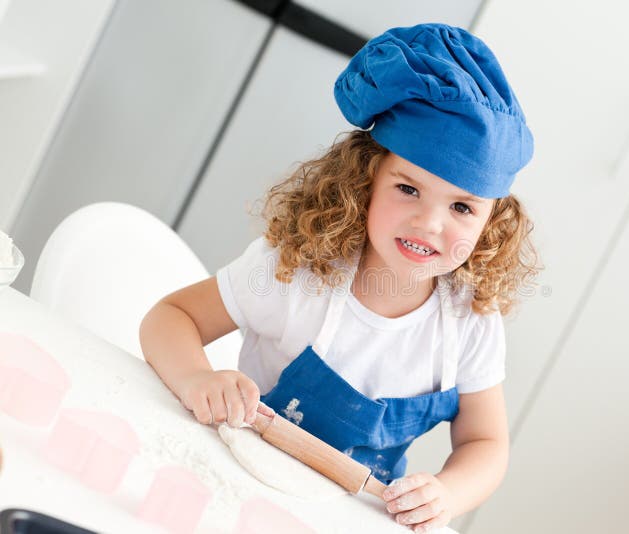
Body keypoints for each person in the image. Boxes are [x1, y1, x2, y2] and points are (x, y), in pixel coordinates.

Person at [141, 23, 537, 533]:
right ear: (364, 180)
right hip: (230, 482)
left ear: (491, 224)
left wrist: (447, 492)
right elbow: (171, 317)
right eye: (408, 189)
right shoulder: (298, 271)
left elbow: (486, 443)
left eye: (462, 207)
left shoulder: (470, 322)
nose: (429, 224)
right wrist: (197, 378)